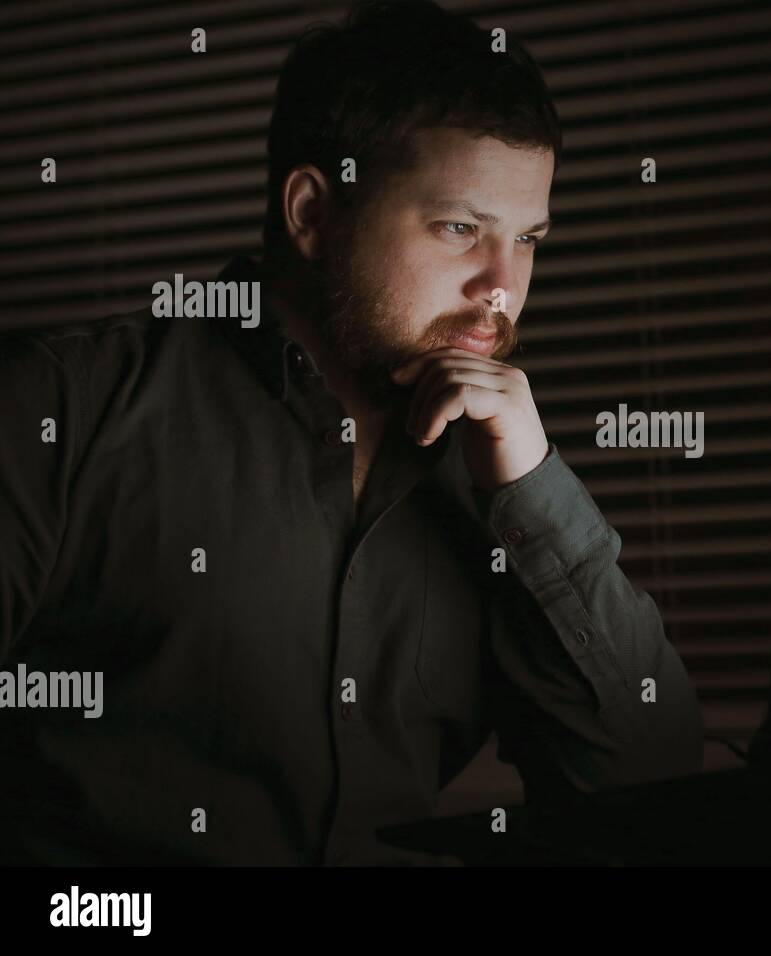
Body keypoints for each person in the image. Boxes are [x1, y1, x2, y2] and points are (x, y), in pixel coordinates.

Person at [0, 0, 702, 865]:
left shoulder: (499, 488)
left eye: (528, 239)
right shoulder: (62, 408)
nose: (502, 287)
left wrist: (536, 489)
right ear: (312, 212)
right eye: (459, 228)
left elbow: (652, 778)